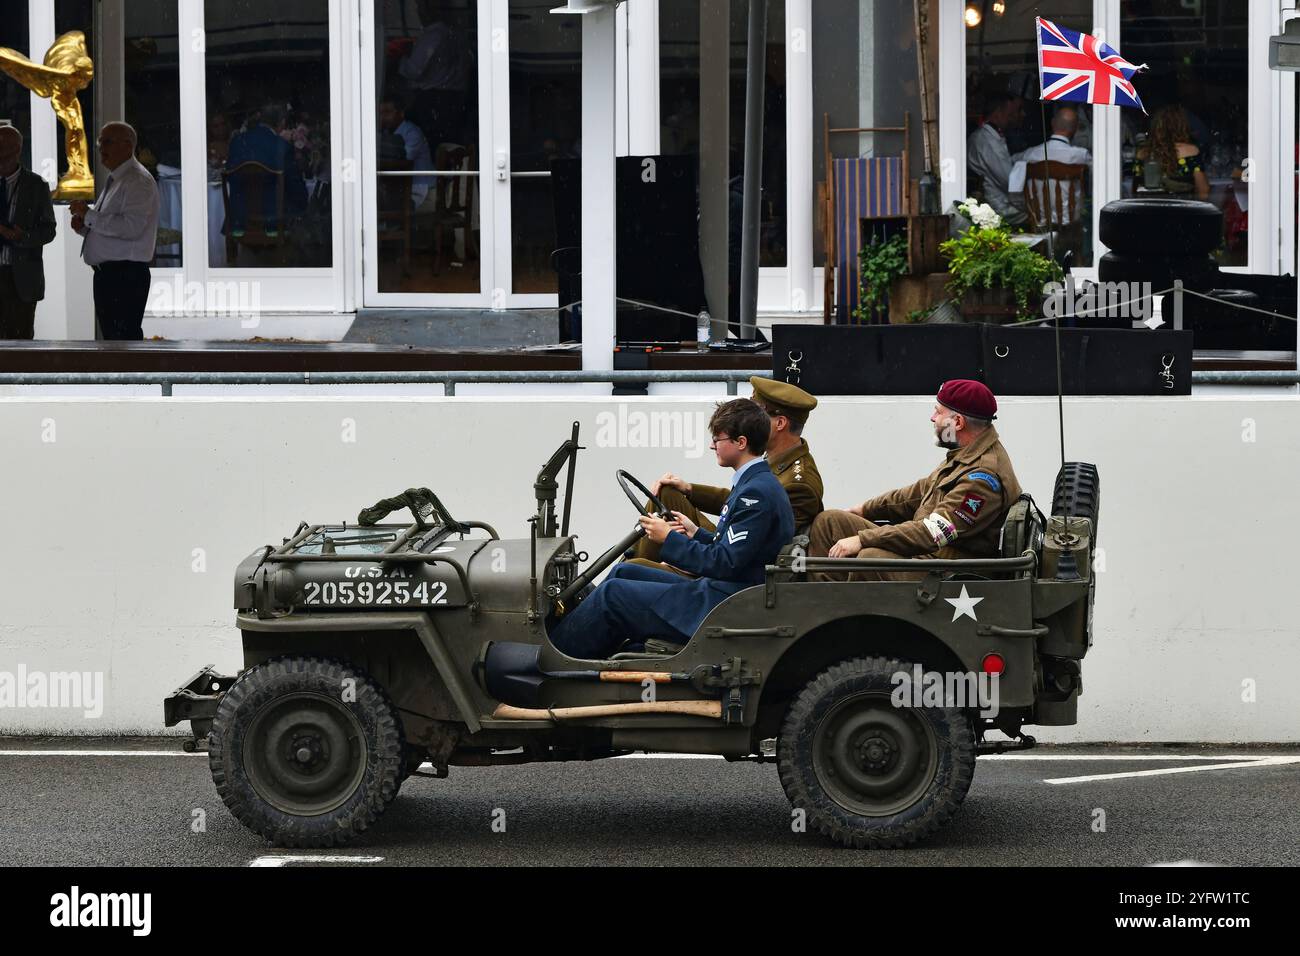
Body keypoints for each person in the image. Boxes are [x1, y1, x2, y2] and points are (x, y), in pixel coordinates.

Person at [548, 399, 795, 660]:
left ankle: (554, 659)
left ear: (741, 443)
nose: (712, 445)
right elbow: (738, 550)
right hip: (727, 593)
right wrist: (694, 533)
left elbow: (725, 563)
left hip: (722, 604)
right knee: (626, 570)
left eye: (717, 438)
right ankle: (596, 650)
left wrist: (668, 538)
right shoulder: (756, 483)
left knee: (613, 595)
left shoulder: (754, 492)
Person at [807, 380, 1022, 582]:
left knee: (871, 556)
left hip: (947, 568)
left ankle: (849, 619)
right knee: (830, 523)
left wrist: (863, 539)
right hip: (929, 552)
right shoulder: (968, 452)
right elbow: (920, 492)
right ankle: (825, 610)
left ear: (957, 422)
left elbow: (931, 533)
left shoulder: (982, 477)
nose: (932, 418)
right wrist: (865, 509)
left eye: (938, 412)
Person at [628, 376, 823, 573]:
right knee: (668, 493)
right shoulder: (773, 458)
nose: (749, 420)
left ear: (780, 423)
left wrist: (687, 558)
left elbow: (755, 540)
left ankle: (629, 573)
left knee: (631, 570)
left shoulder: (800, 483)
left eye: (758, 414)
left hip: (736, 557)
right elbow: (742, 502)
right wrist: (689, 489)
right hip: (729, 544)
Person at [69, 122, 160, 341]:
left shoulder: (138, 180)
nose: (101, 148)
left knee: (123, 342)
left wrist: (89, 216)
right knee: (114, 341)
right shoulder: (118, 179)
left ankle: (129, 376)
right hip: (110, 275)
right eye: (100, 143)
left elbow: (131, 228)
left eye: (107, 142)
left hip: (125, 276)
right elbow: (113, 227)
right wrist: (84, 228)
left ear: (128, 146)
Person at [0, 125, 57, 339]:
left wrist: (22, 237)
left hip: (21, 277)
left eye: (2, 146)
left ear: (16, 149)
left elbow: (49, 231)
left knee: (20, 340)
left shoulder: (35, 186)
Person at [225, 103, 309, 236]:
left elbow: (230, 177)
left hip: (239, 222)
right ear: (282, 123)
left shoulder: (237, 142)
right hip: (272, 223)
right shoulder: (282, 147)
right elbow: (296, 188)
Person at [1009, 106, 1092, 225]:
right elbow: (1098, 179)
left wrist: (1026, 207)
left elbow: (1010, 162)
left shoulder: (1030, 154)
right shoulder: (1081, 156)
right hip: (1072, 225)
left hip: (1039, 224)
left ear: (1053, 124)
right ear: (1075, 128)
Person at [967, 92, 1028, 226]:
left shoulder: (993, 137)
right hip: (997, 206)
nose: (1019, 116)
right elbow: (1009, 180)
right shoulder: (986, 141)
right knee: (1040, 212)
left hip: (1000, 201)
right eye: (1013, 112)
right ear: (998, 112)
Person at [1132, 105, 1209, 199]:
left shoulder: (1142, 154)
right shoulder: (1191, 151)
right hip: (1184, 210)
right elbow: (1204, 191)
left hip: (1150, 210)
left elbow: (1135, 192)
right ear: (1182, 126)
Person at [379, 95, 434, 207]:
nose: (383, 117)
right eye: (381, 113)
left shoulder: (412, 133)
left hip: (419, 186)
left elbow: (401, 161)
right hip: (398, 187)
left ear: (401, 113)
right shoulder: (385, 133)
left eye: (388, 112)